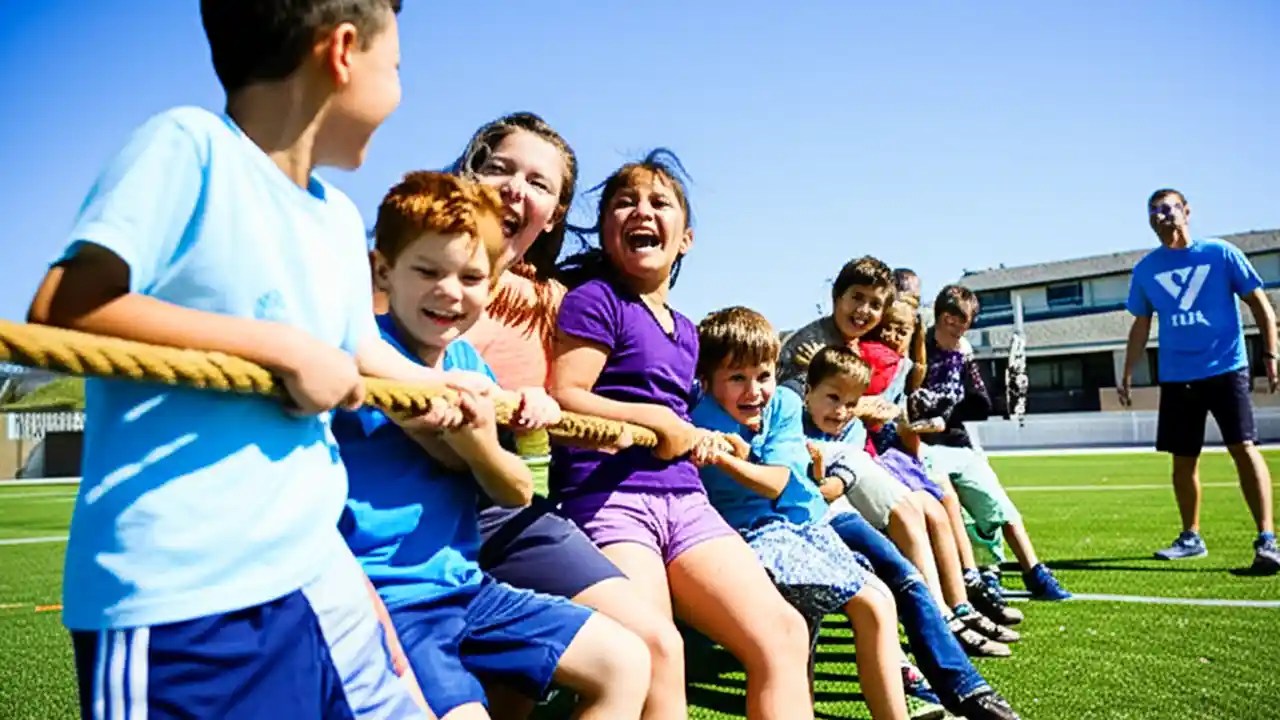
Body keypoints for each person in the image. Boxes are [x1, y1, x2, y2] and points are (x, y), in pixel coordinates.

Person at [23, 1, 465, 716]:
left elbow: (358, 350)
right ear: (343, 52)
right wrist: (283, 349)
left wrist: (441, 385)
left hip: (316, 570)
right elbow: (65, 306)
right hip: (182, 601)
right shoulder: (188, 146)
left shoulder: (337, 218)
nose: (402, 90)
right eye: (399, 67)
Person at [336, 171, 651, 719]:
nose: (451, 291)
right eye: (428, 271)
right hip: (385, 596)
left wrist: (485, 440)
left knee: (625, 660)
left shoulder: (468, 366)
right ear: (385, 270)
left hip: (464, 588)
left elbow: (516, 488)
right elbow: (340, 349)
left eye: (472, 276)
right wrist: (436, 409)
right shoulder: (359, 348)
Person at [548, 151, 816, 720]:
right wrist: (664, 424)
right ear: (604, 230)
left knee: (785, 634)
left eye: (658, 202)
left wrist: (706, 438)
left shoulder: (687, 331)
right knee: (657, 655)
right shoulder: (597, 300)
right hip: (608, 498)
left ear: (686, 238)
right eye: (624, 203)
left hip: (685, 500)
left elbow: (679, 420)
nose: (640, 211)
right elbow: (566, 395)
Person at [450, 113, 690, 719]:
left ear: (554, 213)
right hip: (408, 500)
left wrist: (657, 420)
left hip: (506, 509)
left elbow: (610, 346)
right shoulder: (399, 273)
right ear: (468, 175)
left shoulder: (552, 300)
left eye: (538, 183)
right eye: (499, 169)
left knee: (658, 643)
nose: (514, 189)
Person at [691, 306, 1024, 720]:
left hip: (804, 525)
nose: (754, 390)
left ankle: (926, 691)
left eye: (763, 376)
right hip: (751, 536)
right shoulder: (696, 416)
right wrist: (704, 445)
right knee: (834, 619)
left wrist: (728, 459)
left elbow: (777, 480)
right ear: (707, 380)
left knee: (867, 604)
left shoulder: (782, 406)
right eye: (737, 378)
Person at [778, 257, 1018, 646]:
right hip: (815, 460)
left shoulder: (864, 344)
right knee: (908, 512)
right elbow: (800, 407)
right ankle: (937, 620)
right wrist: (866, 408)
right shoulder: (811, 345)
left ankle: (955, 610)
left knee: (933, 508)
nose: (865, 311)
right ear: (836, 296)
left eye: (875, 304)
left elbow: (877, 407)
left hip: (852, 454)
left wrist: (898, 416)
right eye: (856, 298)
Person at [1120, 188, 1279, 573]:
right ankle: (1190, 537)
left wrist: (1271, 354)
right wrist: (1127, 371)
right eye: (1154, 211)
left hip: (1226, 368)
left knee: (1243, 448)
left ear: (1187, 212)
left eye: (1169, 208)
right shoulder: (1146, 270)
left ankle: (1268, 539)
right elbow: (1141, 324)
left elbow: (1259, 302)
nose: (1162, 216)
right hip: (1177, 376)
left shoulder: (1220, 254)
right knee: (1182, 460)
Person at [921, 286, 1072, 600]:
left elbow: (980, 404)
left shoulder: (963, 351)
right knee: (959, 515)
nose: (960, 332)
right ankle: (982, 573)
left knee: (998, 506)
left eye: (966, 325)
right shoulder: (918, 348)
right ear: (943, 318)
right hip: (923, 447)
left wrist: (1002, 400)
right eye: (956, 323)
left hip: (959, 444)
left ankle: (1035, 571)